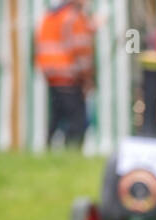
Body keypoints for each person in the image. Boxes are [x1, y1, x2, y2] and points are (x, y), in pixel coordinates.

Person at [35, 0, 94, 148]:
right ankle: (72, 153)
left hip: (53, 76)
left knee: (56, 119)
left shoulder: (51, 15)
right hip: (70, 76)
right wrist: (87, 77)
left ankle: (48, 149)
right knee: (77, 123)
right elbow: (80, 50)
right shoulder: (74, 17)